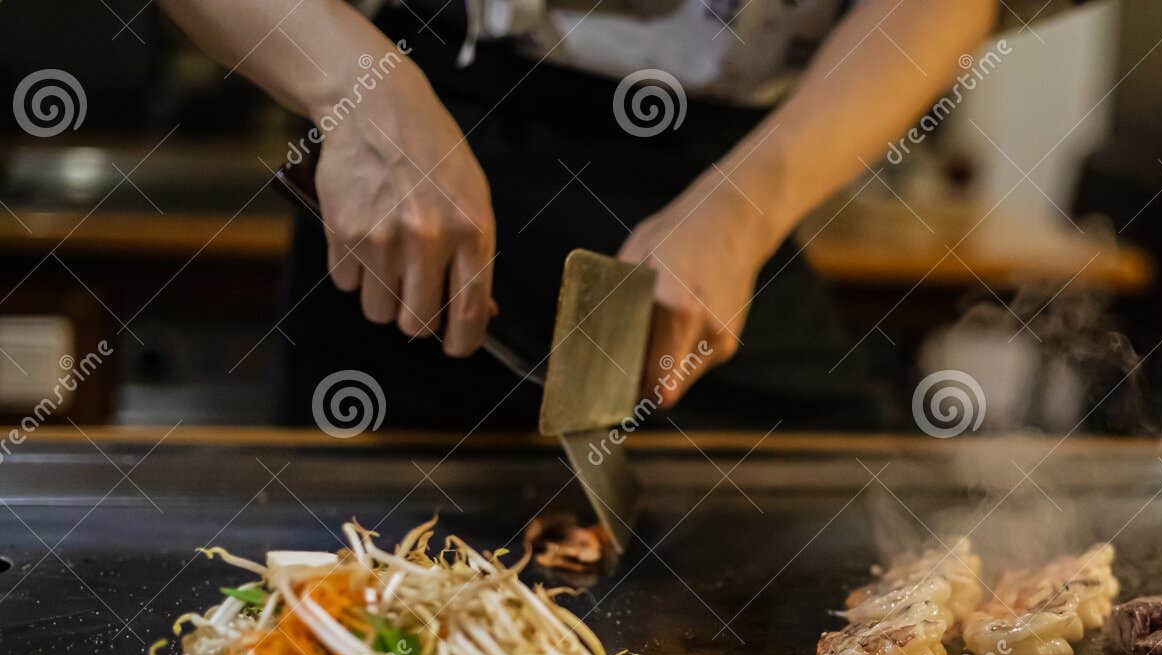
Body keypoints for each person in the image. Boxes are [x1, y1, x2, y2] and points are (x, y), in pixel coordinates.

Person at [155, 0, 1031, 429]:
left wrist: (743, 207)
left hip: (740, 164)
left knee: (787, 559)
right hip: (430, 136)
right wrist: (361, 92)